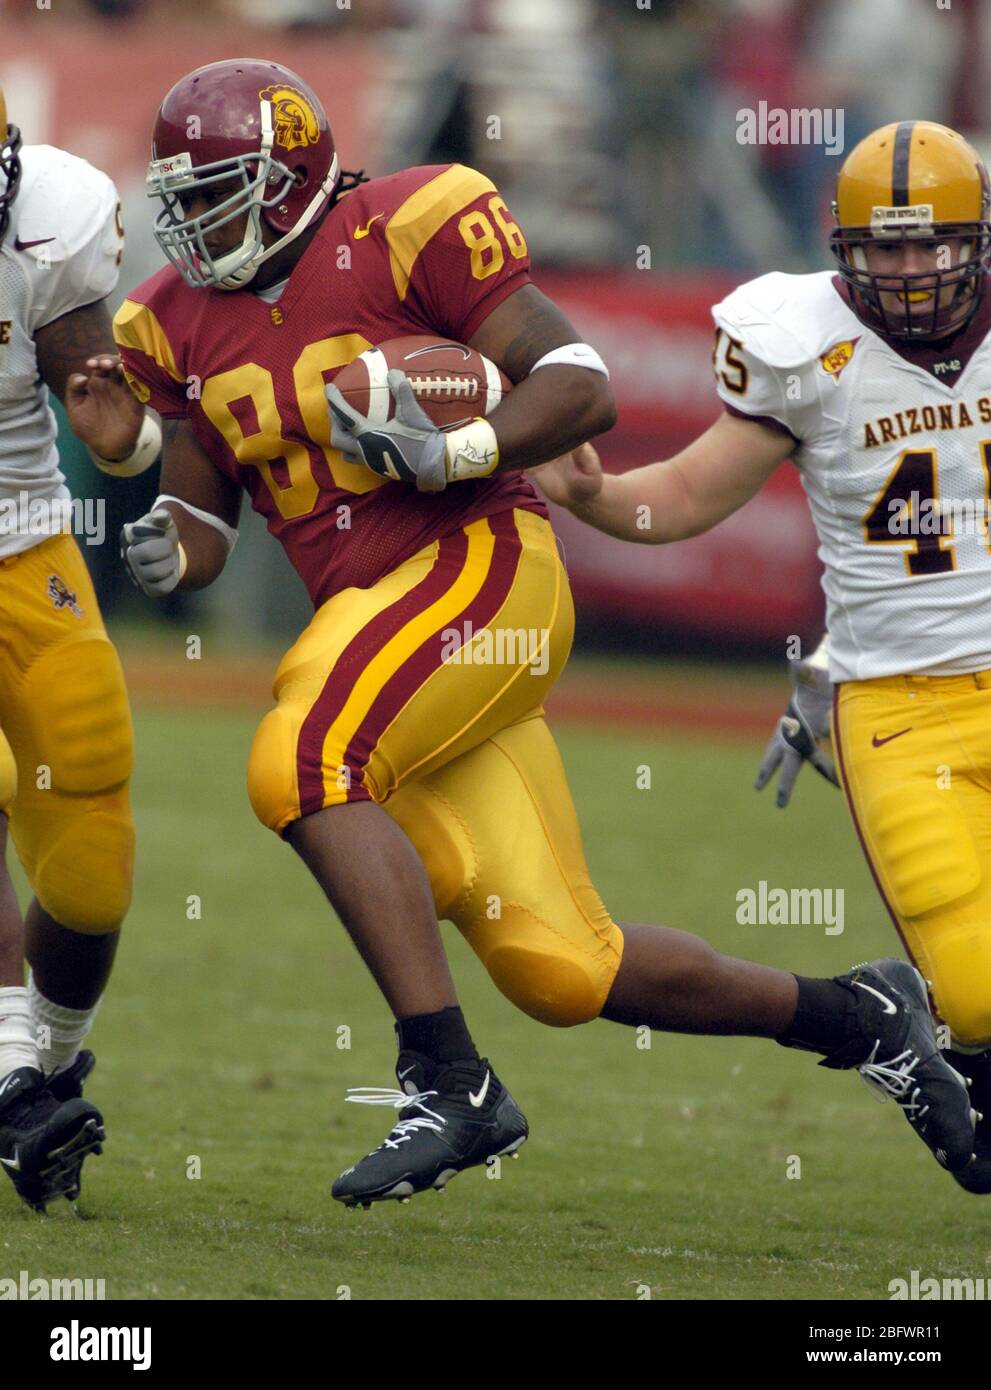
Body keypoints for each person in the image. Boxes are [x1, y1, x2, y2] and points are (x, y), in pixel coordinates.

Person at [113, 67, 975, 1207]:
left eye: (220, 190)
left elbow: (579, 383)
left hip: (479, 571)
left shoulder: (404, 224)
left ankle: (447, 1081)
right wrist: (170, 546)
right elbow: (202, 511)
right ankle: (860, 1018)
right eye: (186, 196)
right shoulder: (171, 319)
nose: (197, 219)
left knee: (303, 755)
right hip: (377, 626)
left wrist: (461, 451)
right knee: (564, 966)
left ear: (291, 178)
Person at [536, 120, 991, 1195]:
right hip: (897, 707)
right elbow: (691, 492)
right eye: (885, 247)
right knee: (972, 994)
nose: (911, 269)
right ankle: (944, 1053)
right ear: (844, 249)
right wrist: (598, 498)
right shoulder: (803, 344)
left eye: (933, 244)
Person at [0, 91, 160, 1211]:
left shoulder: (53, 215)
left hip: (23, 537)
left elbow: (104, 405)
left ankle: (40, 1071)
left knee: (94, 854)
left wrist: (131, 444)